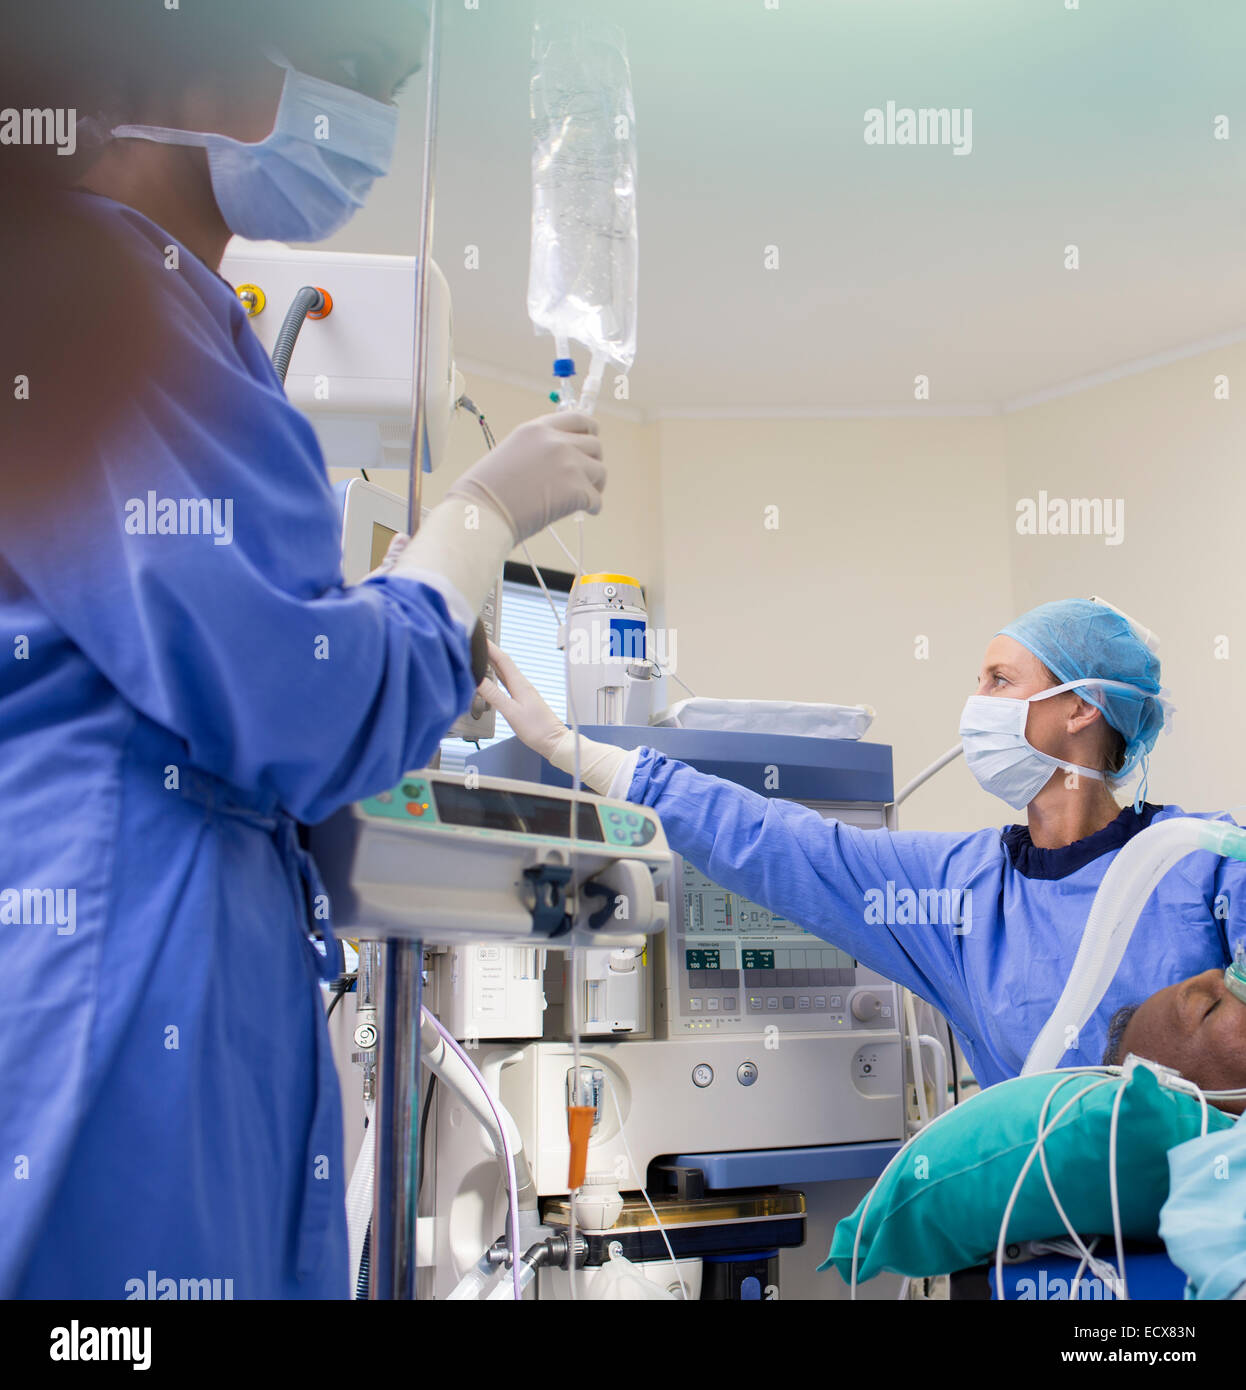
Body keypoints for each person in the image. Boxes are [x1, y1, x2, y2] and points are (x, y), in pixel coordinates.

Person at [0, 1, 604, 1298]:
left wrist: (402, 622)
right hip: (121, 954)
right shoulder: (117, 310)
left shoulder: (156, 315)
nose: (372, 129)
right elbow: (300, 706)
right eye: (359, 75)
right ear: (188, 58)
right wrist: (469, 533)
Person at [481, 598, 1241, 1088]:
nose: (975, 704)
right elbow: (778, 844)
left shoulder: (1203, 860)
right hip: (1046, 1241)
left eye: (1000, 681)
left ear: (1078, 708)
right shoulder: (958, 891)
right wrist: (568, 748)